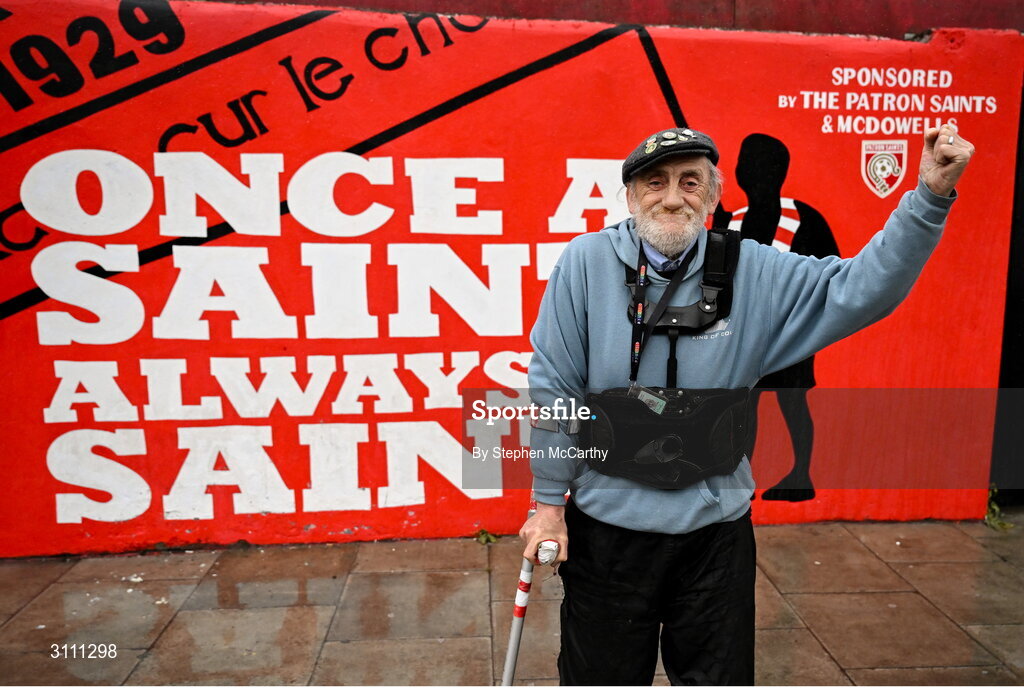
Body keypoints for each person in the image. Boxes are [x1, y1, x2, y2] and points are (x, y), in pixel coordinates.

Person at [520, 124, 973, 685]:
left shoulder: (755, 266)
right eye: (654, 182)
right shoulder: (585, 263)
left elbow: (860, 287)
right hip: (608, 533)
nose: (670, 196)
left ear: (712, 197)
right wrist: (547, 504)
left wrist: (928, 198)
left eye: (690, 182)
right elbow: (555, 388)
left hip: (715, 535)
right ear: (631, 197)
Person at [714, 133, 842, 502]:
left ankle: (801, 474)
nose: (753, 174)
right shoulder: (732, 221)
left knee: (792, 400)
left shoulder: (804, 218)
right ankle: (744, 477)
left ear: (780, 172)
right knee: (747, 403)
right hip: (745, 336)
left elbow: (834, 272)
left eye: (762, 166)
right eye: (746, 165)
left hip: (793, 334)